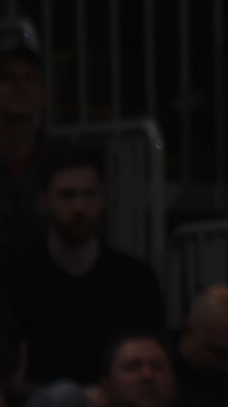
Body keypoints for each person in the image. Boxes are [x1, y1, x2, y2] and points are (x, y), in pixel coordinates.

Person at [13, 144, 167, 391]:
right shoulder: (17, 276)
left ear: (102, 199)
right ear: (43, 201)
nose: (79, 207)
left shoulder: (135, 279)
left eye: (89, 195)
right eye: (67, 196)